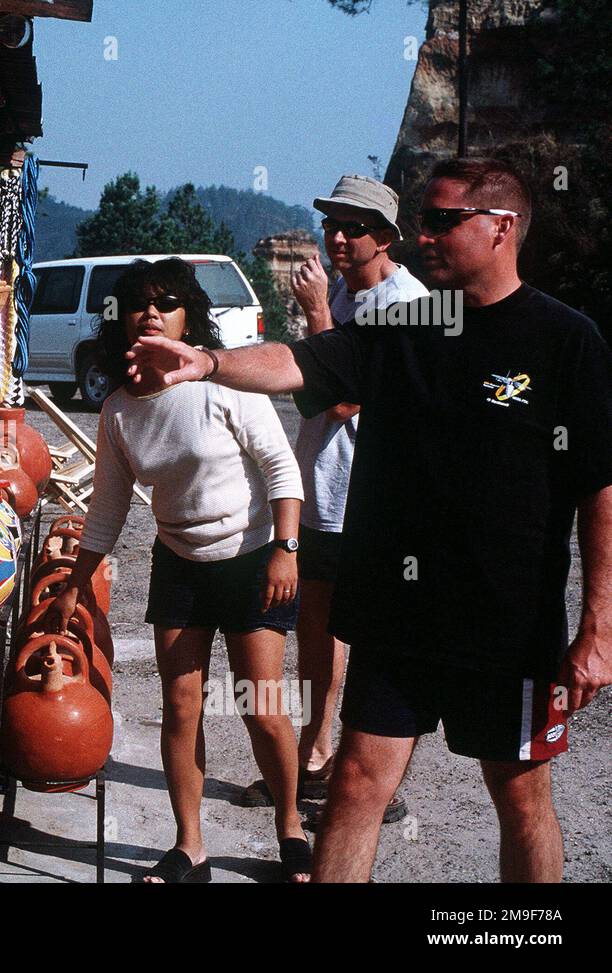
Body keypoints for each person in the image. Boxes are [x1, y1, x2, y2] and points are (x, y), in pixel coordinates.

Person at [124, 158, 612, 883]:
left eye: (444, 220)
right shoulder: (410, 325)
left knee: (521, 798)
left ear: (501, 228)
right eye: (424, 220)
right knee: (354, 782)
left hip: (507, 623)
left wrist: (598, 628)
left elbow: (599, 489)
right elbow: (296, 362)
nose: (423, 235)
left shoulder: (564, 339)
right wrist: (206, 362)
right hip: (399, 612)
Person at [43, 257, 312, 883]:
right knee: (182, 704)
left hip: (254, 563)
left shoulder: (224, 384)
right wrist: (76, 584)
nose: (151, 312)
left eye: (166, 302)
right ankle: (190, 847)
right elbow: (106, 508)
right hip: (180, 566)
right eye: (139, 303)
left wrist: (286, 550)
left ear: (189, 316)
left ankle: (292, 829)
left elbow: (281, 468)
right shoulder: (116, 410)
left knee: (262, 705)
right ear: (124, 319)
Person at [241, 176, 427, 825]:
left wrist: (319, 314)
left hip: (372, 500)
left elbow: (342, 395)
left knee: (364, 634)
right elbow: (306, 395)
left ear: (386, 237)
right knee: (317, 626)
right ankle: (316, 756)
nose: (337, 237)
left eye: (352, 227)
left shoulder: (408, 304)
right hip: (324, 491)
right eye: (330, 225)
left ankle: (367, 776)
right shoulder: (348, 290)